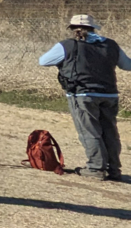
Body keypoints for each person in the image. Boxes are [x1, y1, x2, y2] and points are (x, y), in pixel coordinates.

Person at [39, 14, 131, 182]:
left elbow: (43, 61)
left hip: (82, 94)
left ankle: (96, 168)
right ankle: (114, 170)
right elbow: (128, 65)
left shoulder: (67, 45)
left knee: (90, 131)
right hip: (110, 94)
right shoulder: (110, 45)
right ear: (94, 27)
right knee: (110, 132)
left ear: (72, 29)